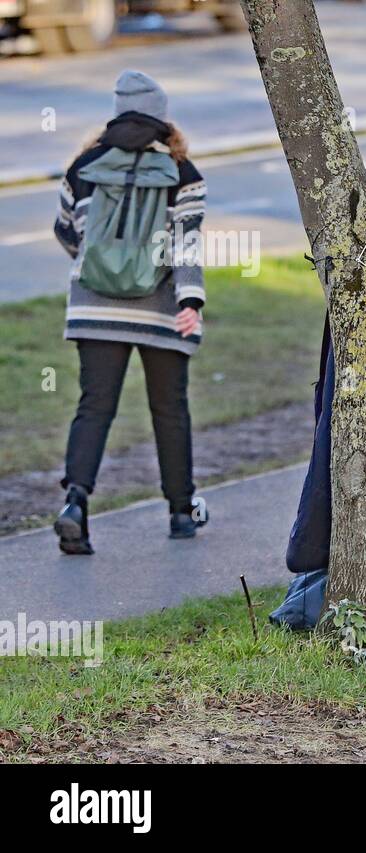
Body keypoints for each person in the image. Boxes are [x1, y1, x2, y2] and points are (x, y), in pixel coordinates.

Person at [52, 70, 209, 554]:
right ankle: (182, 512)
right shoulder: (182, 172)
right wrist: (190, 301)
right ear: (163, 117)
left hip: (92, 309)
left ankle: (75, 503)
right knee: (170, 409)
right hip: (160, 309)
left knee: (94, 407)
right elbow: (185, 245)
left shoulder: (83, 166)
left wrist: (99, 270)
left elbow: (66, 232)